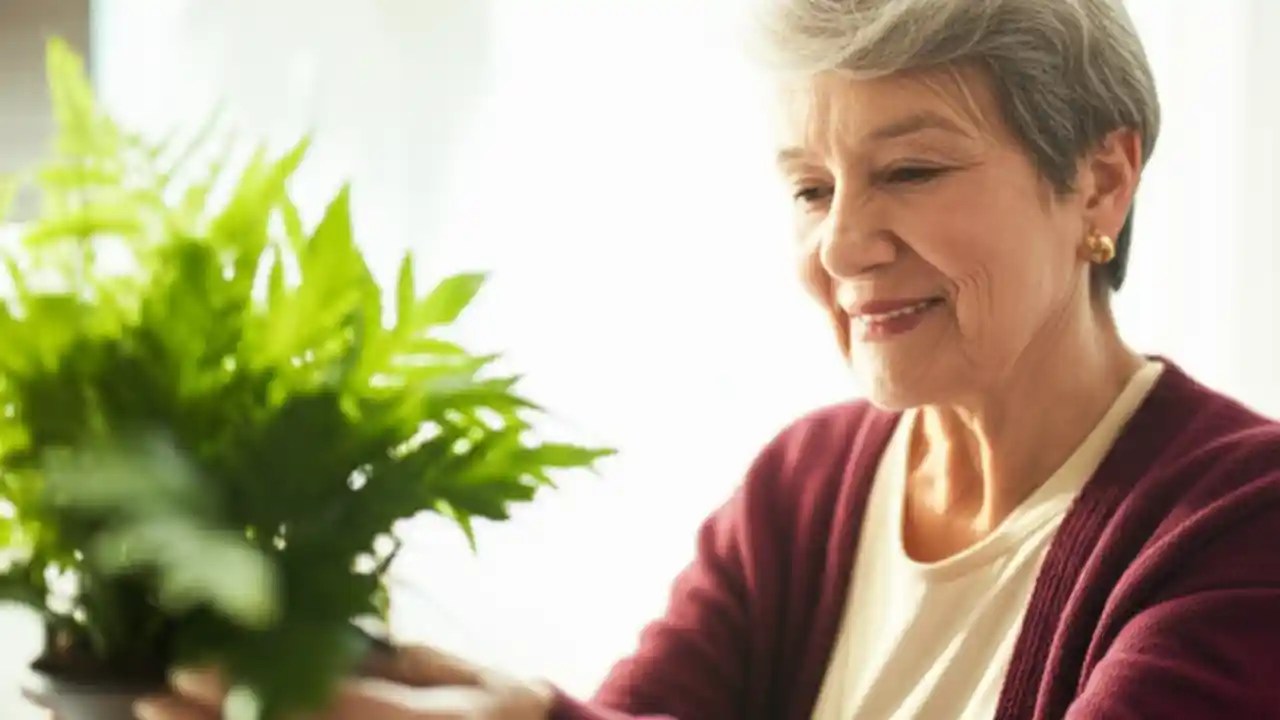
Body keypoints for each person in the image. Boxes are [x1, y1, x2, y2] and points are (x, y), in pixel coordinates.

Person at [134, 0, 1280, 718]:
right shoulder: (805, 487)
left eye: (910, 172)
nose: (839, 244)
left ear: (1099, 180)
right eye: (810, 187)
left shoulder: (1238, 520)